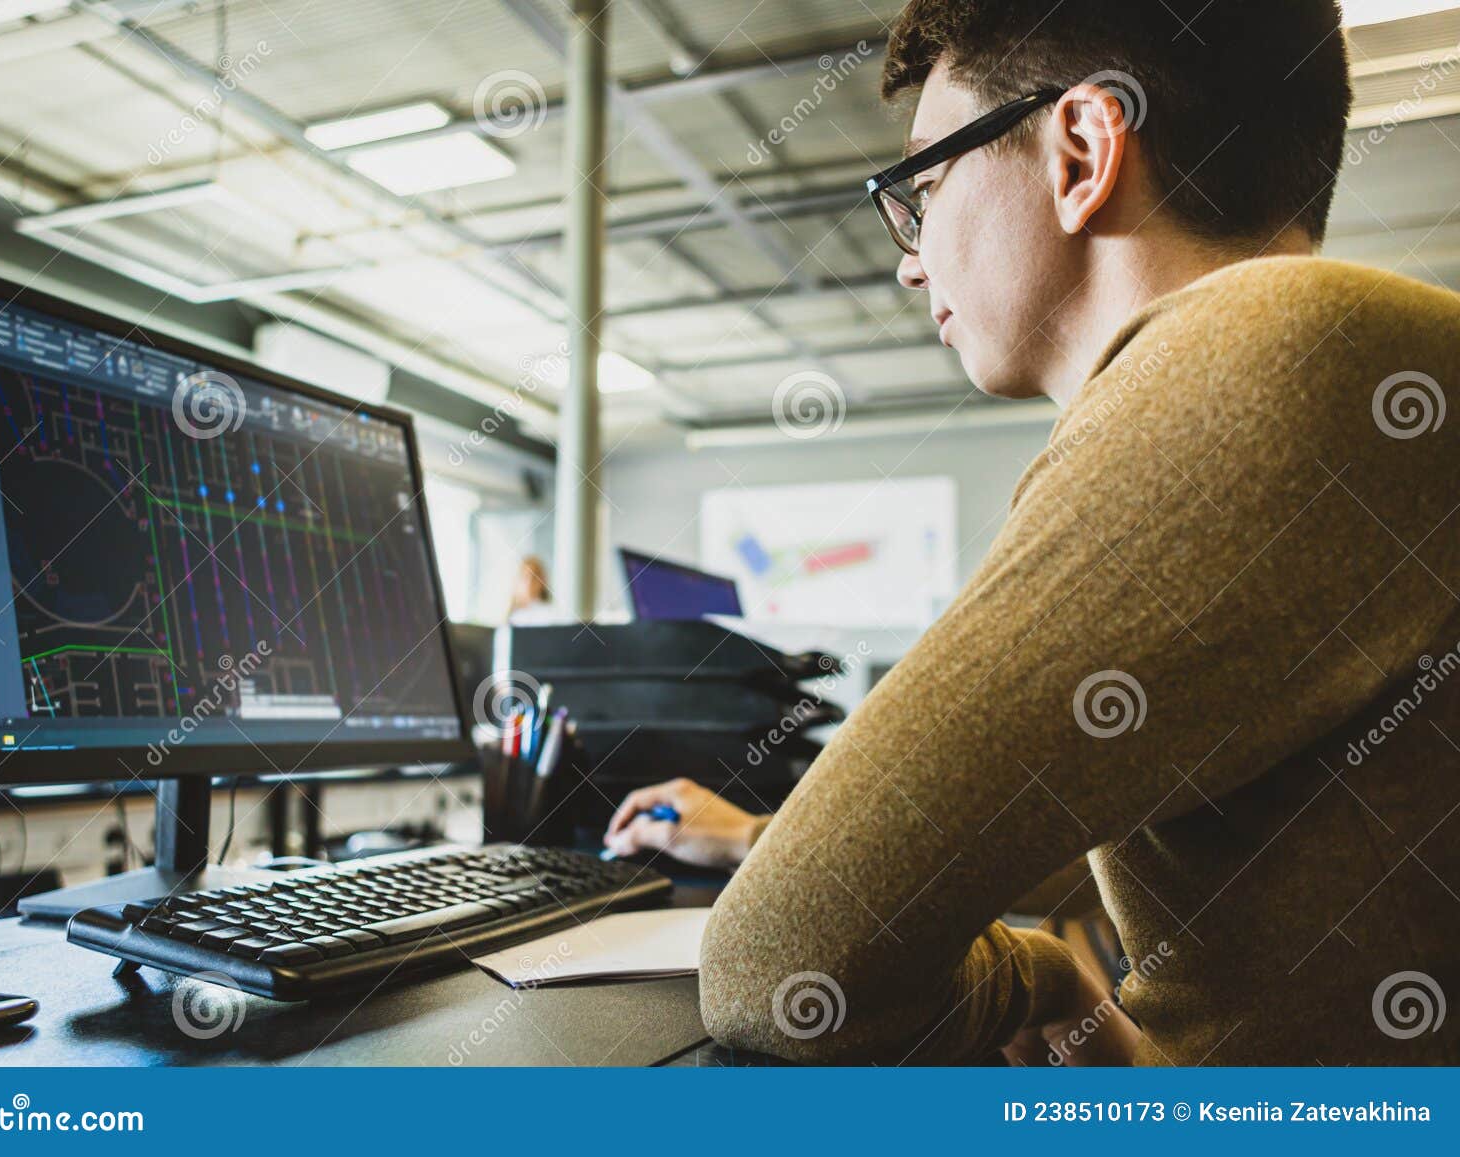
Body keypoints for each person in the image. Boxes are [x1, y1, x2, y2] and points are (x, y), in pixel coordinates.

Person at [606, 0, 1460, 1066]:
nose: (910, 263)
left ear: (1083, 150)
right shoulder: (1358, 361)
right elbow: (1164, 819)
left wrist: (1036, 975)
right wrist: (759, 837)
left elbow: (781, 968)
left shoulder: (1266, 353)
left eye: (923, 188)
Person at [505, 555, 559, 625]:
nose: (529, 582)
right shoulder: (513, 618)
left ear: (542, 581)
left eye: (534, 577)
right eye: (525, 577)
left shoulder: (552, 615)